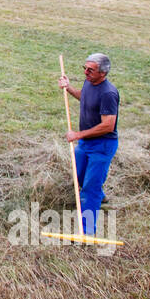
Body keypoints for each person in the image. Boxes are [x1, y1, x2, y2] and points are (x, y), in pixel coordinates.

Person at [58, 52, 119, 237]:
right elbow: (84, 97)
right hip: (85, 143)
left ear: (103, 72)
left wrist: (77, 134)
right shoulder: (89, 82)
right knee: (79, 177)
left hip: (101, 146)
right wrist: (69, 88)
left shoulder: (108, 93)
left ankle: (87, 232)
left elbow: (108, 125)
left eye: (90, 70)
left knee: (90, 188)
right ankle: (100, 197)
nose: (86, 72)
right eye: (84, 68)